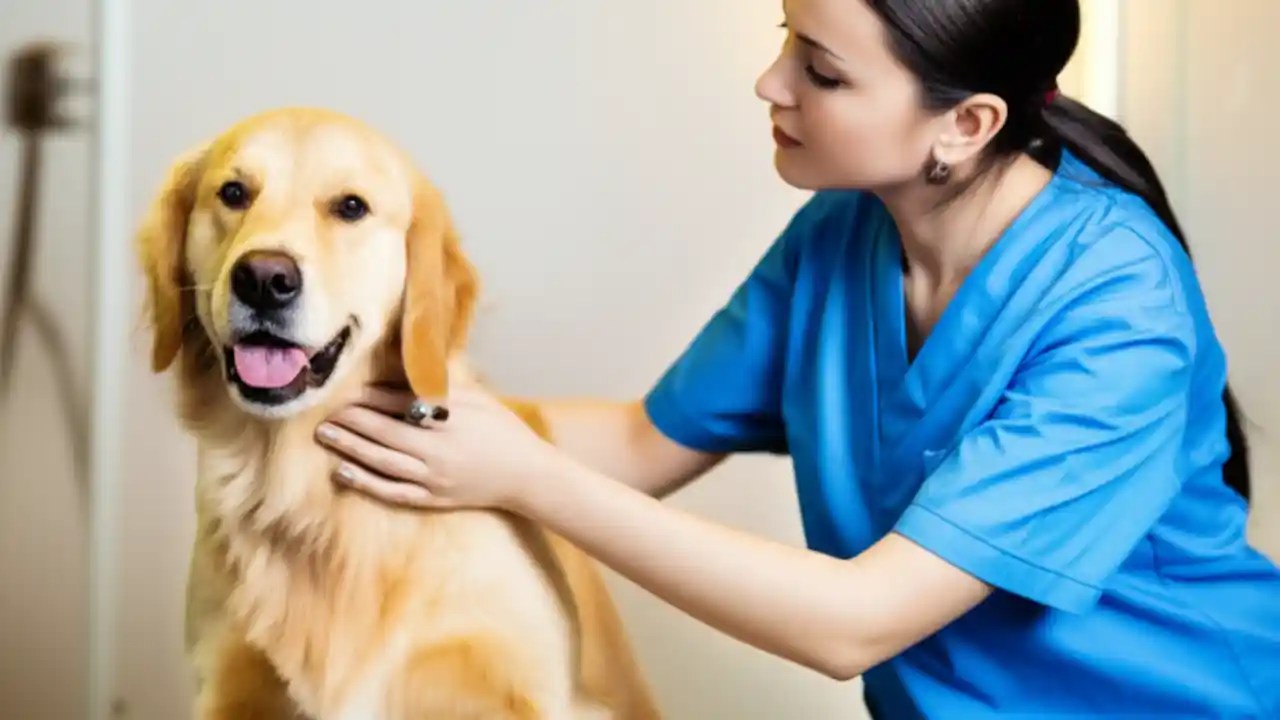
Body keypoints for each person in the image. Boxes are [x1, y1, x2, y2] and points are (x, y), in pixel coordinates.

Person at [314, 0, 1280, 716]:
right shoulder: (840, 235)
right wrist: (379, 406)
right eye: (784, 39)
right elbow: (642, 442)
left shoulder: (1117, 300)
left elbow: (853, 622)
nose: (771, 83)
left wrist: (525, 480)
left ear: (969, 123)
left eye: (820, 69)